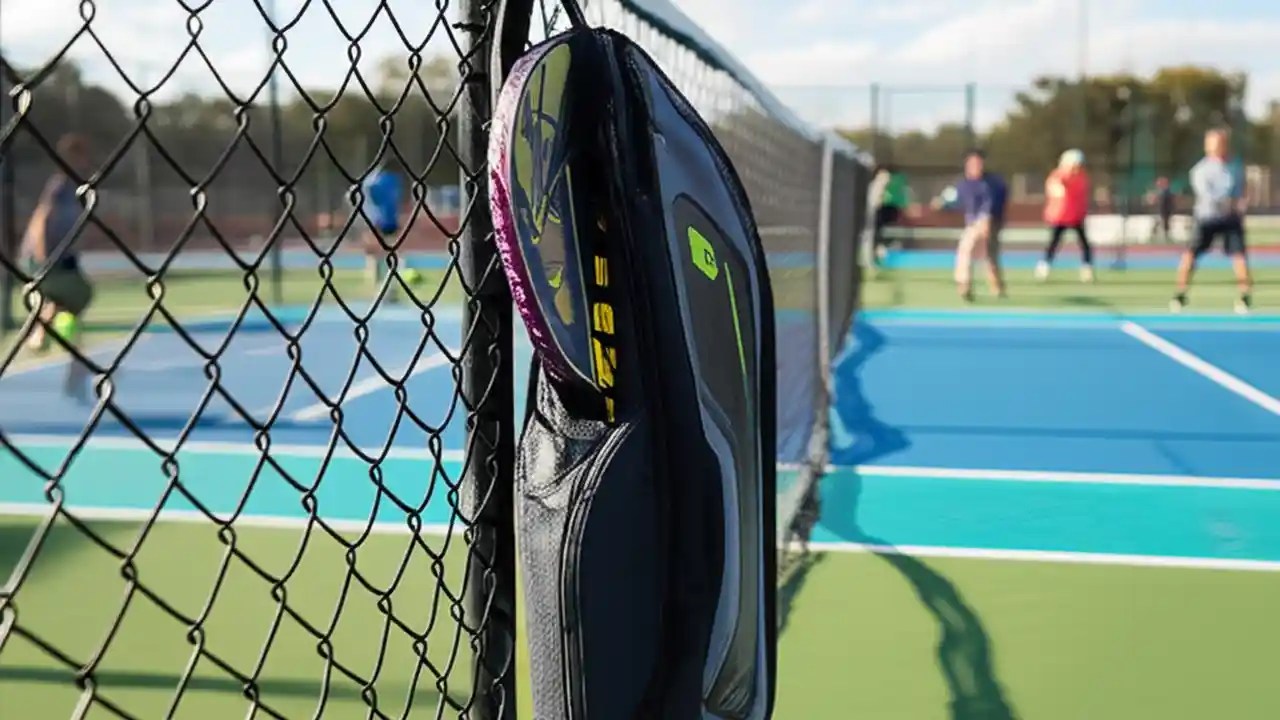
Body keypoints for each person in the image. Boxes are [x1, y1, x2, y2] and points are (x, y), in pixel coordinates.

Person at [20, 133, 96, 401]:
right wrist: (41, 254)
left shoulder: (80, 188)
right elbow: (43, 216)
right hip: (47, 258)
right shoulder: (60, 184)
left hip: (64, 258)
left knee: (68, 304)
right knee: (77, 296)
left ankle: (44, 332)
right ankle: (47, 334)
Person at [1171, 128, 1251, 314]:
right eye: (1213, 143)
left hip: (1231, 219)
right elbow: (1207, 196)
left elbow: (1240, 192)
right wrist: (1226, 203)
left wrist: (1239, 205)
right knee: (1191, 254)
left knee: (1239, 256)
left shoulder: (1236, 167)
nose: (1217, 147)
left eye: (1220, 142)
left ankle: (1245, 297)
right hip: (1207, 218)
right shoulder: (1200, 170)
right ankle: (1180, 294)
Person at [953, 149, 1008, 302]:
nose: (977, 166)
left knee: (988, 254)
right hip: (973, 223)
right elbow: (957, 201)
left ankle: (996, 286)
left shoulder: (991, 183)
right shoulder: (963, 184)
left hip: (989, 221)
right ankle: (965, 285)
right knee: (967, 250)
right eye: (973, 163)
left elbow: (991, 203)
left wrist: (986, 220)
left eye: (979, 163)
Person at [1036, 149, 1094, 283]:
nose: (1077, 168)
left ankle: (1087, 268)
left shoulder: (1081, 178)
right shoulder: (1057, 176)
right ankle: (1044, 266)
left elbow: (1080, 195)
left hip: (1076, 216)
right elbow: (1055, 189)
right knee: (1054, 242)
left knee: (1084, 244)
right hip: (1060, 216)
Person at [359, 163, 404, 294]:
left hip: (380, 221)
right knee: (385, 253)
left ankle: (384, 285)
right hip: (385, 221)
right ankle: (386, 286)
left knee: (379, 253)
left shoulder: (376, 181)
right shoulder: (390, 181)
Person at [866, 164, 909, 264]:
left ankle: (879, 254)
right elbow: (874, 202)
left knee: (880, 236)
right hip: (875, 215)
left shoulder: (885, 191)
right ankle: (875, 256)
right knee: (874, 236)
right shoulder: (875, 187)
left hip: (879, 215)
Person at [1147, 176, 1175, 243]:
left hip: (1165, 211)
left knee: (1163, 224)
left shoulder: (1166, 192)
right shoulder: (1163, 191)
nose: (1158, 184)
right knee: (1159, 224)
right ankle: (1155, 237)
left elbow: (1165, 201)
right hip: (1162, 211)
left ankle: (1164, 237)